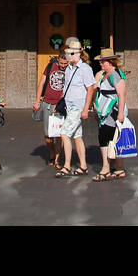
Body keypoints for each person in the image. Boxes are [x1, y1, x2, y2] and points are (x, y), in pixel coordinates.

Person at [53, 37, 96, 176]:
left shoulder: (85, 69)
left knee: (65, 134)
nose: (68, 56)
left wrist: (86, 109)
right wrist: (60, 104)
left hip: (78, 106)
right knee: (77, 136)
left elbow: (90, 88)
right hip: (69, 105)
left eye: (71, 53)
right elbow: (66, 88)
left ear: (78, 54)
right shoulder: (69, 68)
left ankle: (66, 165)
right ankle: (83, 165)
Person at [92, 51, 129, 181]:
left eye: (103, 61)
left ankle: (107, 168)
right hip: (104, 112)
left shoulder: (115, 75)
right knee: (109, 138)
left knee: (107, 137)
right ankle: (118, 168)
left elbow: (121, 95)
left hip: (113, 112)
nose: (101, 64)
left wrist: (120, 114)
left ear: (110, 62)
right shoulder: (104, 75)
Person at [33, 49, 70, 166]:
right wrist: (37, 101)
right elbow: (42, 83)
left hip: (60, 105)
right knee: (48, 134)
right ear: (57, 60)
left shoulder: (70, 70)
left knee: (60, 134)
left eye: (65, 63)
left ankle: (58, 159)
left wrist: (60, 105)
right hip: (47, 103)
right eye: (61, 63)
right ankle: (52, 151)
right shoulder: (50, 67)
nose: (63, 66)